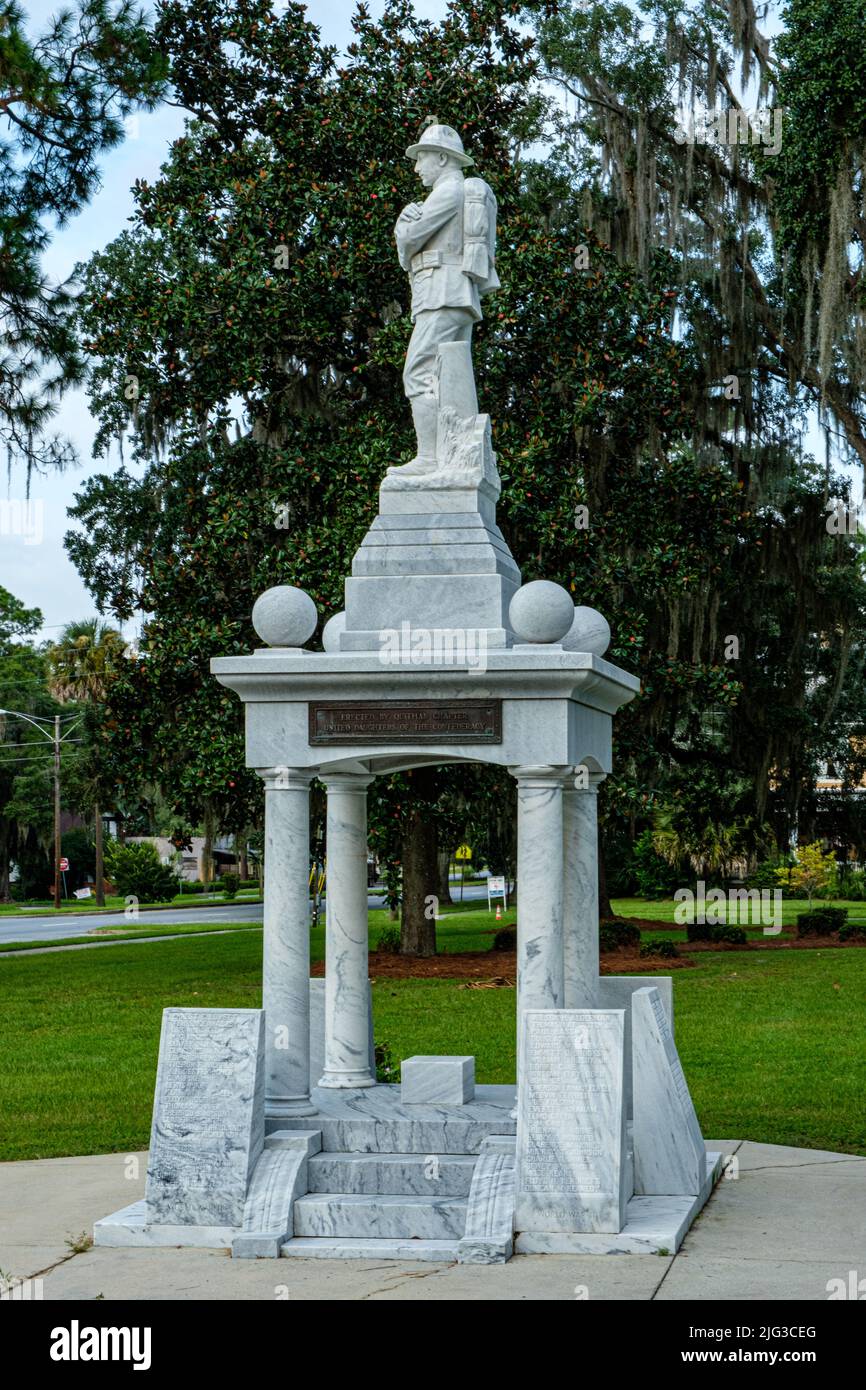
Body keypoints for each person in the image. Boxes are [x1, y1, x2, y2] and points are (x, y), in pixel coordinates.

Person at [391, 122, 499, 477]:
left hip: (442, 291)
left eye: (421, 158)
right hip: (445, 292)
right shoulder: (446, 192)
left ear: (441, 157)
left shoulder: (447, 190)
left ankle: (430, 458)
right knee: (447, 373)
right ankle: (449, 457)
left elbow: (411, 240)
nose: (417, 167)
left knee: (418, 372)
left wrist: (402, 227)